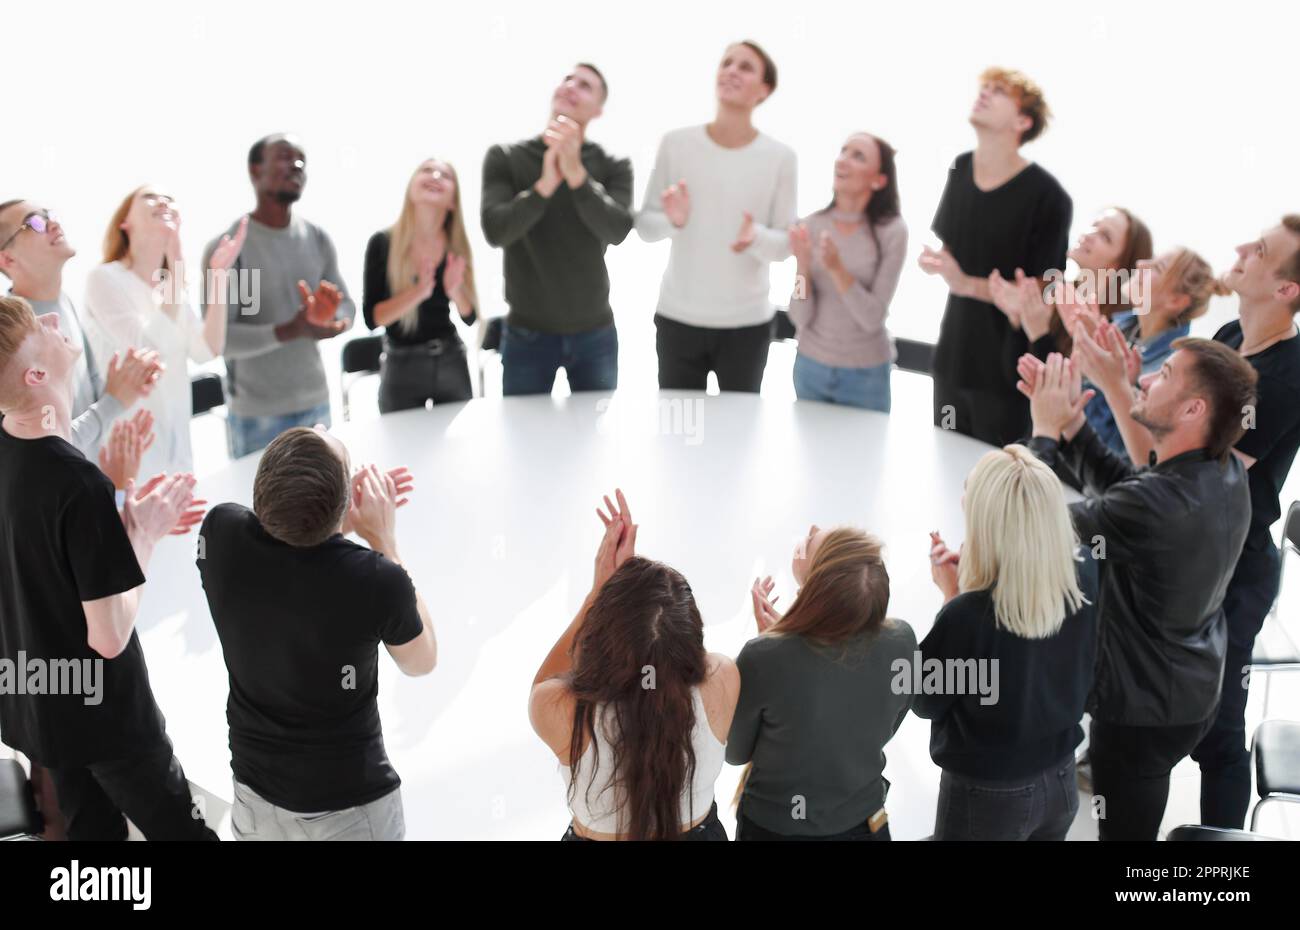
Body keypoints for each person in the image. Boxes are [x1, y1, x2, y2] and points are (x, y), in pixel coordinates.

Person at [1070, 218, 1300, 828]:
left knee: (1218, 733)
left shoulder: (1288, 373)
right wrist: (1123, 390)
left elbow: (1191, 473)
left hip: (1231, 567)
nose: (1242, 250)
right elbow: (1160, 462)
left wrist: (1118, 389)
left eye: (1261, 252)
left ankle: (1219, 867)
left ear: (1287, 290)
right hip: (1184, 554)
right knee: (1148, 721)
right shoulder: (1227, 336)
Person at [1020, 343, 1255, 841]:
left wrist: (1042, 433)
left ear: (1195, 409)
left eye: (1165, 373)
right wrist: (1072, 430)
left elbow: (1027, 521)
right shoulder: (1223, 470)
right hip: (1188, 687)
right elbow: (1126, 493)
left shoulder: (1160, 505)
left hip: (1143, 711)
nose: (1145, 381)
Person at [0, 295, 214, 840]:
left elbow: (52, 447)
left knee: (93, 845)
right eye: (37, 325)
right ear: (37, 371)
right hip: (108, 720)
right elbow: (110, 636)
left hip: (40, 709)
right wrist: (142, 532)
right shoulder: (79, 486)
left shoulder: (12, 443)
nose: (52, 319)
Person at [197, 427, 436, 841]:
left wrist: (329, 512)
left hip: (256, 802)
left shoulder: (220, 533)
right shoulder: (377, 579)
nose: (326, 427)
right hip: (348, 814)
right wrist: (383, 540)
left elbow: (291, 546)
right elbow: (422, 660)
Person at [528, 490, 740, 840]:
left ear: (600, 637)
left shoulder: (560, 709)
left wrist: (599, 590)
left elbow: (547, 682)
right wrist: (631, 606)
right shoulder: (723, 679)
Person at [916, 445, 1097, 840]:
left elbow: (925, 699)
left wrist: (952, 597)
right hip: (1061, 781)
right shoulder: (1084, 573)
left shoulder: (966, 616)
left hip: (989, 797)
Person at [727, 526, 915, 840]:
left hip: (775, 829)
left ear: (818, 585)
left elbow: (735, 752)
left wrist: (776, 646)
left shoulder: (763, 657)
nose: (812, 529)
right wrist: (786, 639)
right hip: (866, 824)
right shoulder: (903, 640)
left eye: (816, 540)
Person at [920, 68, 1072, 445]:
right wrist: (939, 264)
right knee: (944, 466)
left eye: (999, 91)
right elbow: (952, 253)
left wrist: (966, 284)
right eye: (984, 87)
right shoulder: (960, 167)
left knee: (995, 487)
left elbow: (1040, 297)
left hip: (1007, 375)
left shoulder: (1049, 197)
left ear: (1023, 121)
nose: (984, 93)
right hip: (953, 359)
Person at [637, 41, 797, 393]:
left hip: (747, 325)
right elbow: (645, 228)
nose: (731, 71)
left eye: (745, 67)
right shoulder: (676, 143)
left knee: (737, 440)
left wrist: (754, 237)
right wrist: (674, 221)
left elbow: (786, 244)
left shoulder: (780, 158)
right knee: (680, 435)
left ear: (764, 90)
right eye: (726, 63)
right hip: (678, 319)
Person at [481, 64, 633, 396]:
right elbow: (496, 230)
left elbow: (618, 230)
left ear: (598, 109)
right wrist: (546, 184)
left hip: (596, 334)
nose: (570, 87)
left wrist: (577, 175)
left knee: (596, 441)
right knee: (525, 438)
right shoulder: (507, 157)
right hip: (526, 335)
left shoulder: (614, 165)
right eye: (567, 79)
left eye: (585, 86)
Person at [202, 134, 355, 458]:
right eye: (285, 157)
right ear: (255, 170)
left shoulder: (317, 238)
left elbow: (348, 307)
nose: (297, 165)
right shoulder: (232, 249)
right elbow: (223, 339)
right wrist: (292, 328)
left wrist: (329, 322)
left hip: (316, 406)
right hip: (258, 416)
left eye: (302, 160)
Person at [84, 186, 247, 475]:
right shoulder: (104, 278)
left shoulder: (170, 290)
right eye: (149, 197)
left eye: (169, 198)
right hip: (130, 458)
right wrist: (178, 272)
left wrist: (219, 275)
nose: (162, 201)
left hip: (179, 456)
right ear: (125, 223)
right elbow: (145, 350)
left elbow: (206, 350)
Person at [0, 199, 162, 458]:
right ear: (7, 258)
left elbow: (91, 392)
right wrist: (114, 401)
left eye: (49, 214)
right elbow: (48, 446)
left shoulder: (66, 301)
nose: (52, 223)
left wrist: (126, 383)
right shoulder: (10, 340)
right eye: (34, 222)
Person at [787, 134, 908, 412]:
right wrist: (802, 266)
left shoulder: (892, 232)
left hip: (866, 374)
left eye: (858, 156)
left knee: (863, 455)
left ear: (878, 180)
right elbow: (799, 315)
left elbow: (871, 318)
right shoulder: (812, 224)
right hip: (810, 366)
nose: (844, 160)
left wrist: (837, 269)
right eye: (843, 151)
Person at [364, 159, 479, 411]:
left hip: (450, 360)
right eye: (426, 170)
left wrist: (454, 290)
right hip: (400, 365)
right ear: (411, 190)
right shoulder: (382, 243)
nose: (435, 175)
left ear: (452, 202)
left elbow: (470, 316)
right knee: (401, 445)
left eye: (445, 175)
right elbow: (373, 318)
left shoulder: (456, 246)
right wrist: (419, 292)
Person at [989, 206, 1153, 358]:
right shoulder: (1060, 294)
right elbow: (1017, 379)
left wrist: (1039, 334)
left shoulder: (1119, 329)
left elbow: (1073, 387)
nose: (1089, 234)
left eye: (1105, 237)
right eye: (1094, 225)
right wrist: (1017, 320)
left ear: (1121, 263)